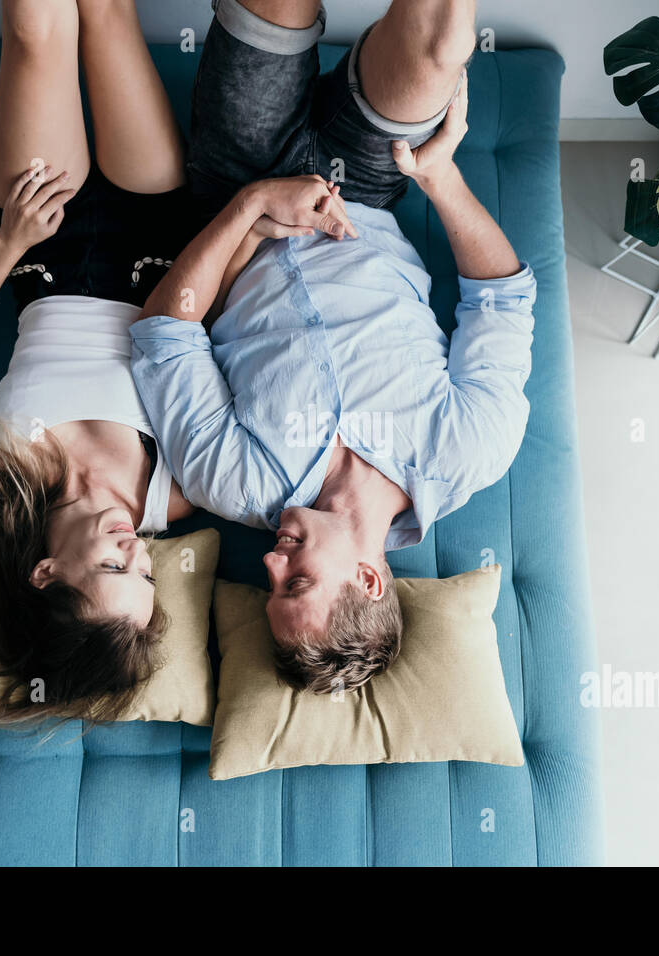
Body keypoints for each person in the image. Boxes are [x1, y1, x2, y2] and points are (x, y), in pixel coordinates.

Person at [0, 0, 351, 720]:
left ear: (46, 573)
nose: (137, 549)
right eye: (145, 572)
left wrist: (6, 246)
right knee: (108, 13)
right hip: (154, 241)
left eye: (114, 567)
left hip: (40, 247)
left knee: (35, 27)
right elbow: (200, 333)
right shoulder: (173, 493)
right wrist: (252, 228)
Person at [130, 0, 536, 694]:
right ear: (370, 576)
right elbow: (502, 299)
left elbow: (165, 330)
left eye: (270, 589)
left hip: (242, 183)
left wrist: (253, 204)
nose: (270, 566)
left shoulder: (230, 483)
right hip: (376, 183)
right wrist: (440, 178)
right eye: (298, 583)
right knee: (443, 41)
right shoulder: (468, 450)